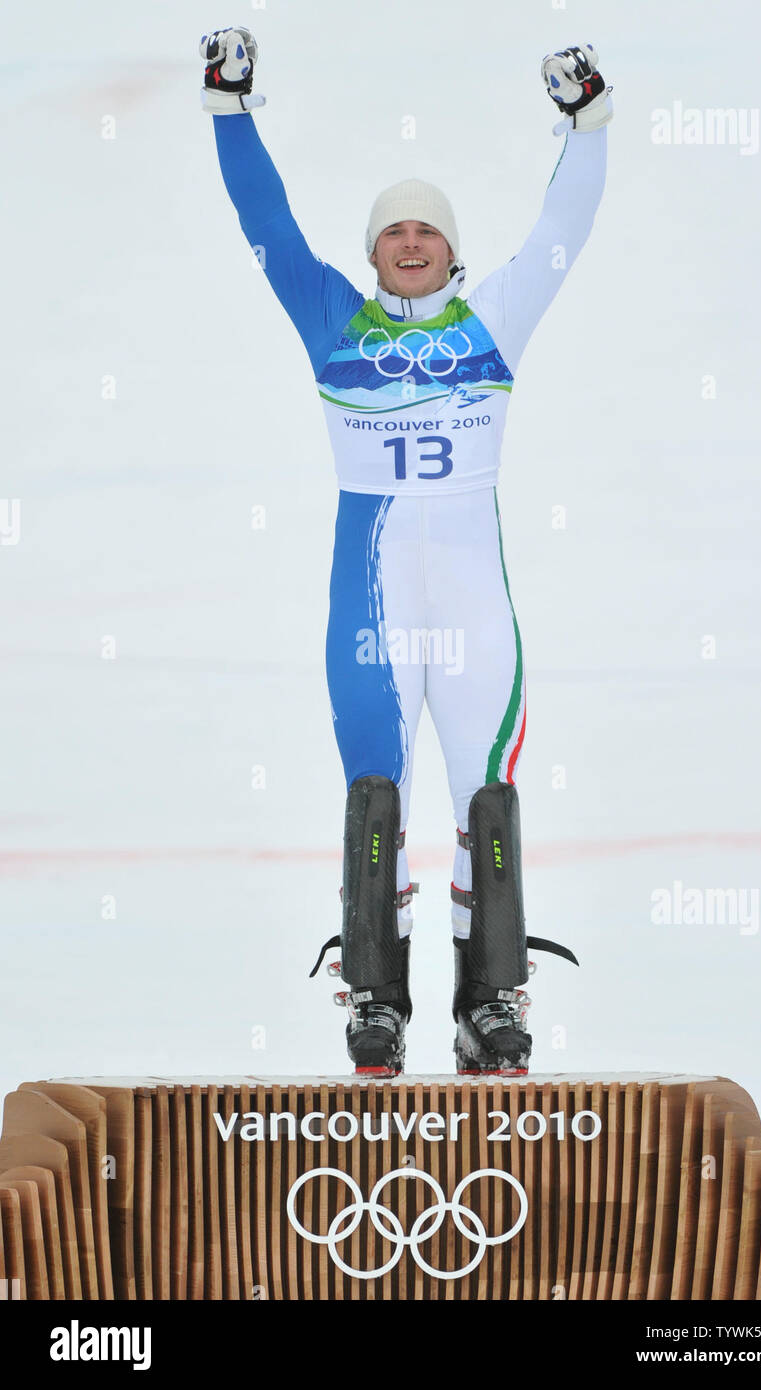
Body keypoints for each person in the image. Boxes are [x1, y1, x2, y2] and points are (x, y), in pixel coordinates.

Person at [199, 28, 612, 1076]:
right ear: (375, 250)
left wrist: (588, 121)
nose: (412, 241)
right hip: (371, 607)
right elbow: (271, 231)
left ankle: (491, 998)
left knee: (488, 801)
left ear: (451, 249)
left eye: (428, 229)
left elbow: (563, 225)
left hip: (473, 605)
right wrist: (228, 109)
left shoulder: (494, 318)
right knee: (373, 794)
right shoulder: (334, 321)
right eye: (395, 231)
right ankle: (376, 1000)